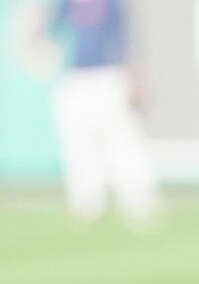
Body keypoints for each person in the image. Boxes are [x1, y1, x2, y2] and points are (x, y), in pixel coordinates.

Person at [39, 0, 161, 226]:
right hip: (75, 78)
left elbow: (126, 39)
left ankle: (139, 206)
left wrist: (135, 75)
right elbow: (48, 30)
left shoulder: (114, 3)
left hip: (109, 76)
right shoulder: (66, 3)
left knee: (123, 144)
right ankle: (87, 209)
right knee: (78, 147)